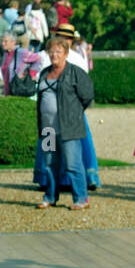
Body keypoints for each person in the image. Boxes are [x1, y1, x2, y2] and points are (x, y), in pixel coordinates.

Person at [33, 36, 93, 210]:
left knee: (73, 164)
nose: (54, 55)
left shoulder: (74, 72)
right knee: (50, 164)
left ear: (66, 53)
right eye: (51, 51)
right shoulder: (45, 73)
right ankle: (50, 197)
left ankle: (81, 199)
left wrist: (74, 114)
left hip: (68, 129)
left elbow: (87, 95)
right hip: (48, 129)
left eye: (58, 51)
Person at [1, 30, 40, 95]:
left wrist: (32, 73)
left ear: (13, 42)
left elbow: (38, 58)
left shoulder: (21, 52)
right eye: (2, 41)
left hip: (19, 89)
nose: (2, 43)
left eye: (5, 41)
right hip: (8, 90)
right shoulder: (5, 54)